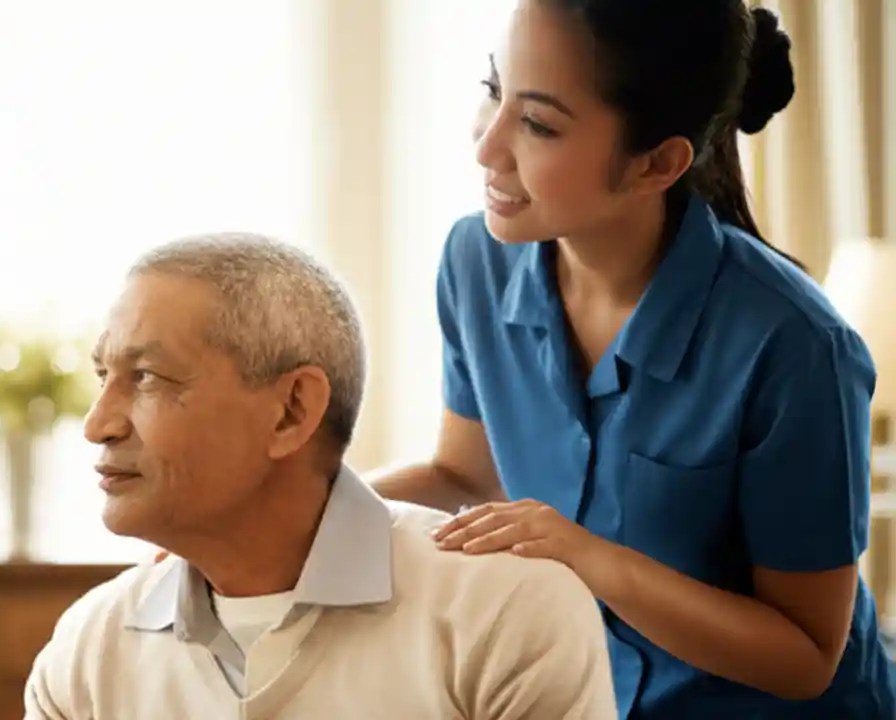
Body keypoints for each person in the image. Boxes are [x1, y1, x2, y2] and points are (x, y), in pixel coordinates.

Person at [369, 1, 896, 718]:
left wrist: (584, 555)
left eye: (539, 124)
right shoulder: (477, 263)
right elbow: (467, 475)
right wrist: (301, 503)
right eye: (494, 90)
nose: (487, 147)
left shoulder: (797, 347)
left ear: (657, 162)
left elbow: (804, 657)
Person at [24, 234, 617, 719]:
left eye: (148, 377)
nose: (98, 424)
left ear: (291, 411)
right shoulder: (87, 649)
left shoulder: (503, 609)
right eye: (103, 375)